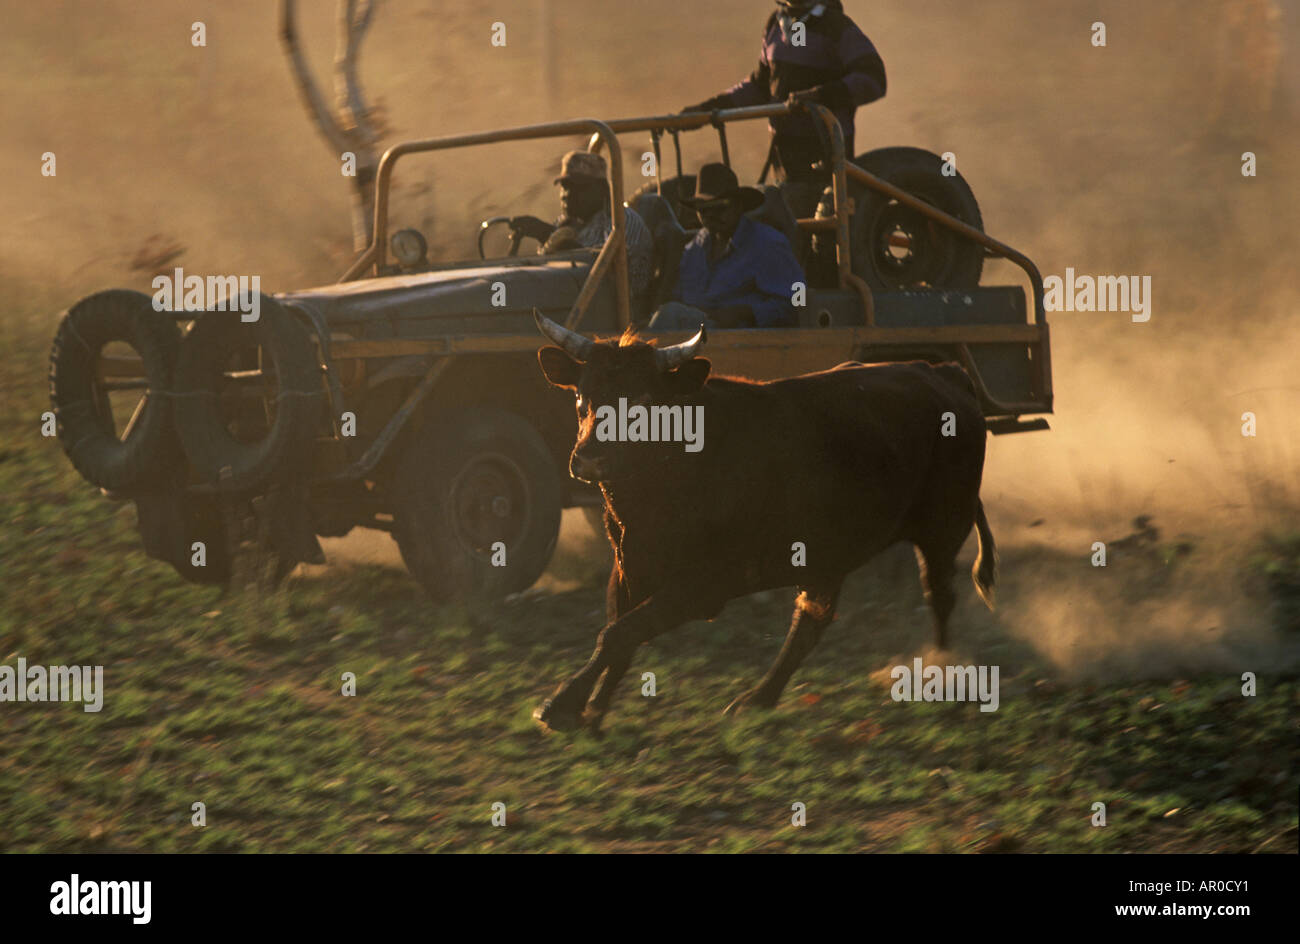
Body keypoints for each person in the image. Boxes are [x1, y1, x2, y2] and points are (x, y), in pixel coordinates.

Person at [682, 1, 886, 219]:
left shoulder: (836, 26)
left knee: (821, 237)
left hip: (827, 166)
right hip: (785, 164)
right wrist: (707, 109)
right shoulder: (776, 23)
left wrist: (819, 96)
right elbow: (761, 86)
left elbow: (872, 78)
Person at [649, 163, 805, 331]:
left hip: (745, 340)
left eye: (719, 207)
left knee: (669, 316)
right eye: (704, 209)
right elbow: (678, 297)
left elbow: (798, 302)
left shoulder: (767, 244)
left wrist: (744, 313)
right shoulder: (694, 249)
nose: (711, 215)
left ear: (737, 206)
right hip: (695, 338)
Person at [508, 150, 654, 301]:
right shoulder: (567, 222)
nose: (567, 194)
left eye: (578, 187)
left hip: (619, 311)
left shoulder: (620, 220)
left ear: (602, 189)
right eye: (564, 186)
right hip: (575, 305)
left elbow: (603, 274)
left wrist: (549, 236)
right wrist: (543, 236)